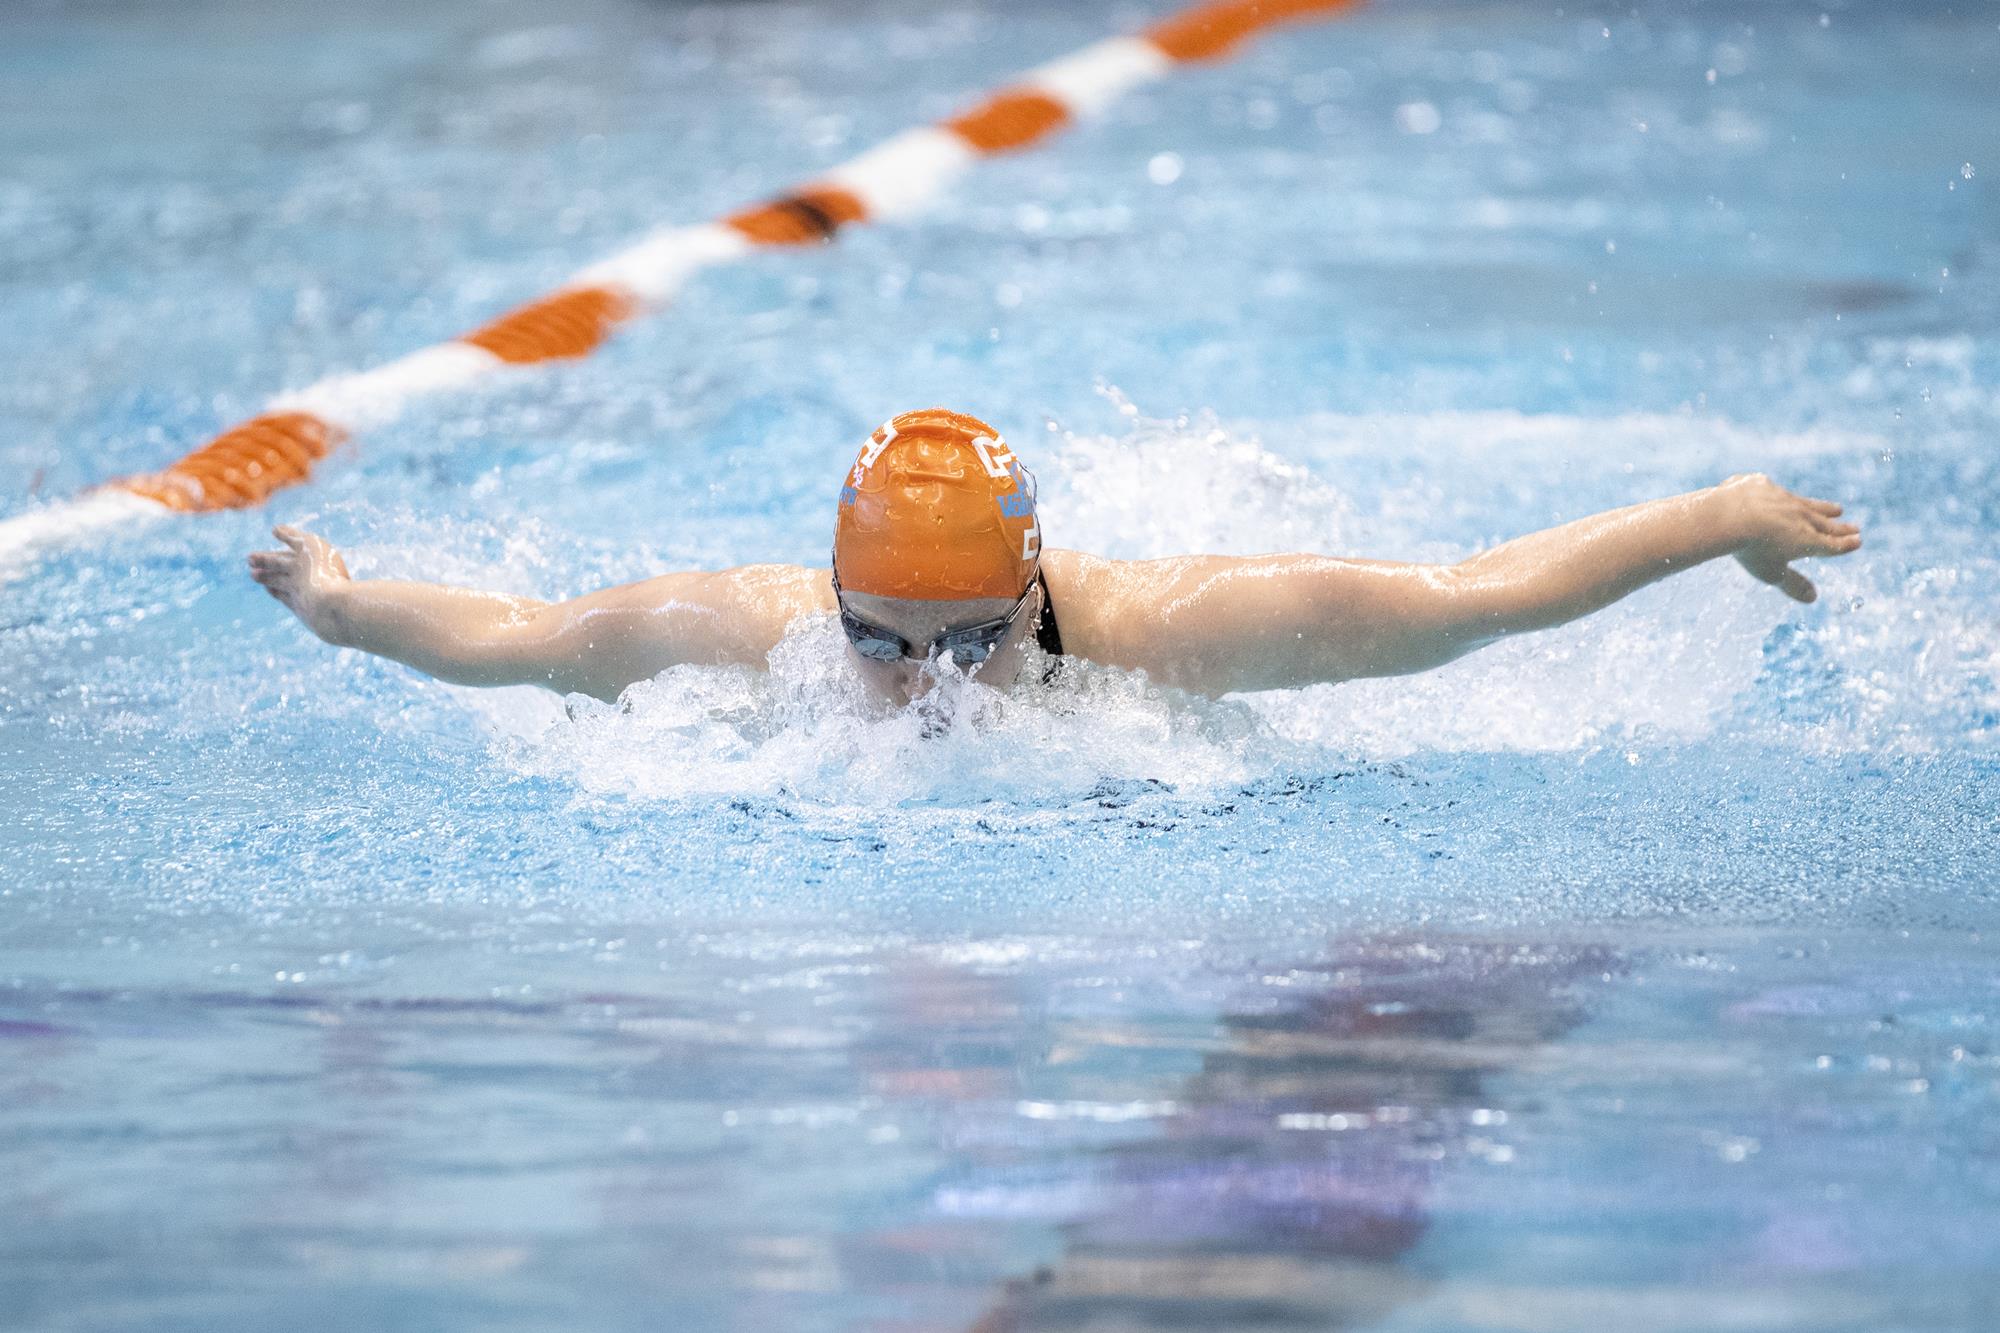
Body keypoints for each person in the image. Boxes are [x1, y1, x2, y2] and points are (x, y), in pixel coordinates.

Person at [248, 407, 1862, 704]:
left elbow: (1469, 602)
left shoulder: (1171, 632)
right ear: (825, 601)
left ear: (1036, 592)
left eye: (972, 649)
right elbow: (520, 635)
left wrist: (1709, 518)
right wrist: (338, 611)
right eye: (880, 642)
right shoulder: (735, 634)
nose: (929, 691)